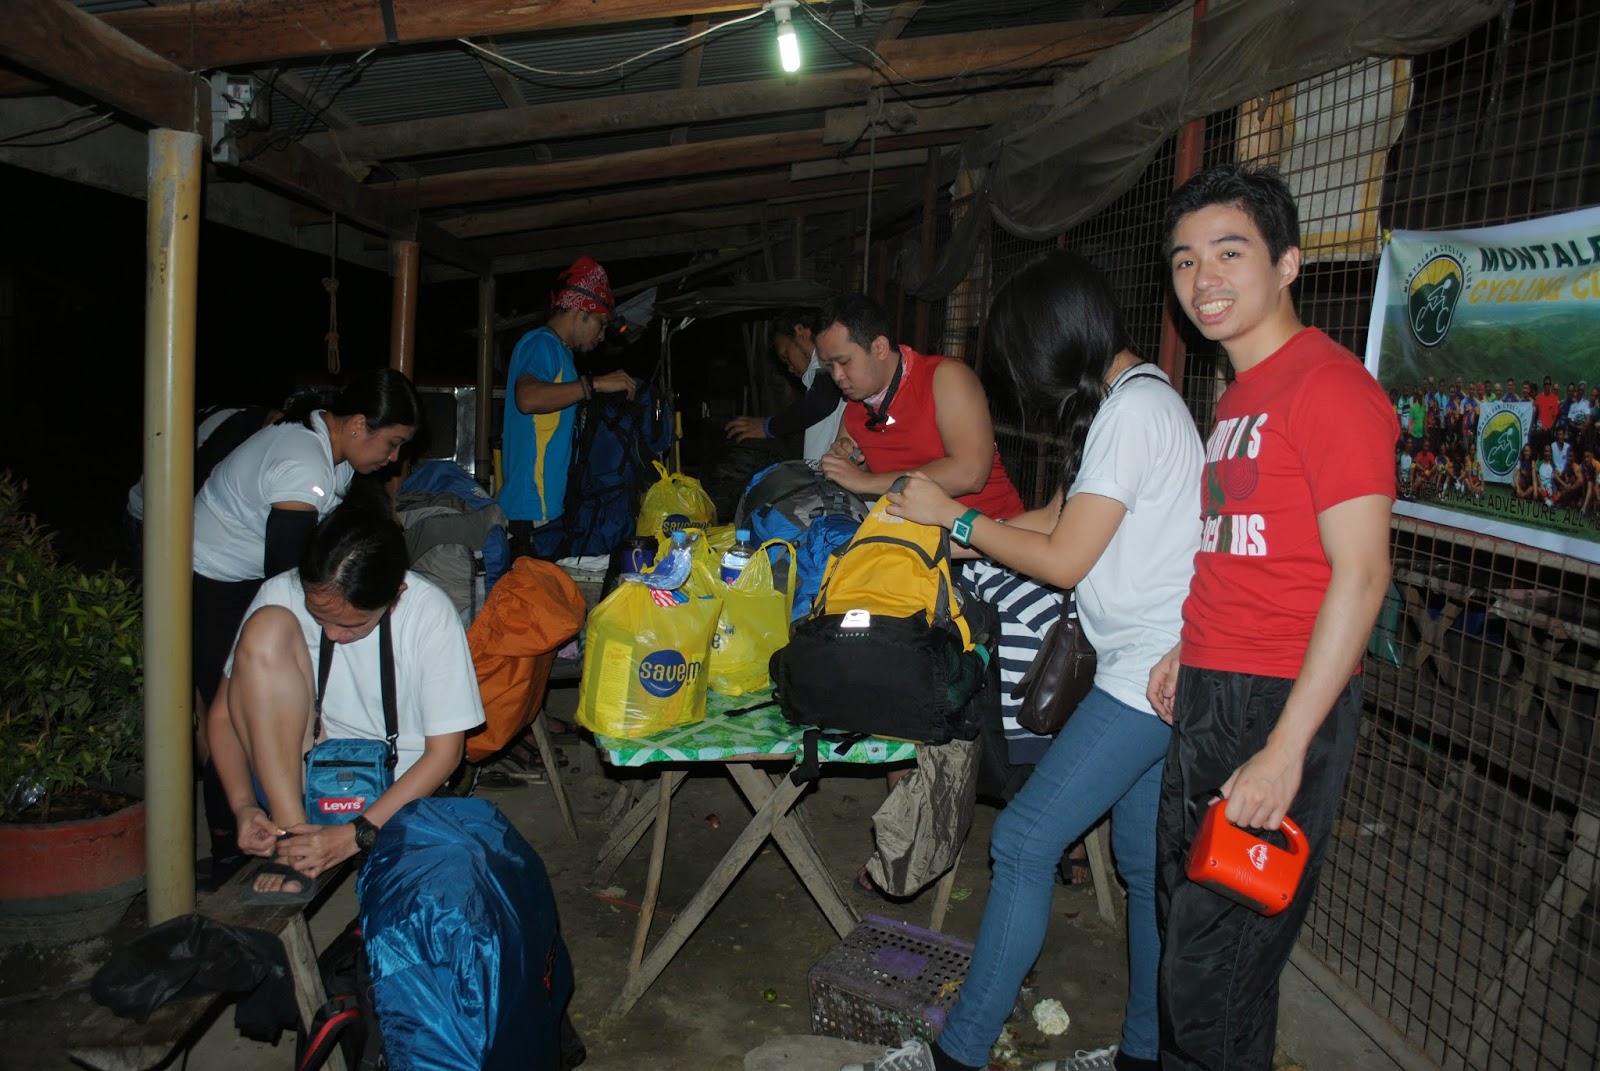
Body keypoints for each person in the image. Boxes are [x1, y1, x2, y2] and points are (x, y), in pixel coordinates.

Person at [843, 252, 1204, 1071]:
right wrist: (960, 540)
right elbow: (1058, 514)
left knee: (1026, 840)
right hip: (1156, 668)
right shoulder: (1139, 395)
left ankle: (956, 1055)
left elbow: (1069, 556)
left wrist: (959, 522)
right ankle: (1145, 1055)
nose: (1025, 383)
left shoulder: (1132, 414)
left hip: (1144, 675)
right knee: (1144, 863)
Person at [1146, 164, 1396, 1071]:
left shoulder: (1329, 388)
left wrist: (1287, 747)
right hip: (1218, 685)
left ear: (1288, 262)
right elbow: (1252, 547)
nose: (1202, 279)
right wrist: (1191, 644)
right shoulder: (1240, 393)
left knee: (1219, 969)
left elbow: (1361, 576)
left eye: (1228, 252)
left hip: (1283, 700)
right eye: (1184, 261)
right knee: (1190, 932)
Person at [192, 367, 420, 882]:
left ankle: (281, 823)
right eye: (392, 443)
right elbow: (290, 580)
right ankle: (232, 848)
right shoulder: (303, 464)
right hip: (214, 579)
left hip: (244, 570)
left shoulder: (330, 455)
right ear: (358, 424)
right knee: (241, 706)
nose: (394, 459)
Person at [206, 501, 486, 900]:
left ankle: (311, 846)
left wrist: (357, 834)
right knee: (266, 626)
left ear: (396, 595)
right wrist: (243, 806)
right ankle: (293, 836)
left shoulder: (428, 612)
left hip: (396, 784)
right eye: (320, 619)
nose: (334, 635)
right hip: (302, 773)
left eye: (352, 624)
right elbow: (222, 717)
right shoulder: (279, 593)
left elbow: (444, 755)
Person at [499, 255, 636, 557]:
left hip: (547, 509)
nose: (602, 336)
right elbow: (528, 398)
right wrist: (594, 384)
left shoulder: (560, 353)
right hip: (531, 511)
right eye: (600, 324)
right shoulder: (541, 344)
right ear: (581, 311)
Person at [725, 309, 847, 463]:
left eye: (786, 356)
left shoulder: (826, 363)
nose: (789, 368)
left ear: (800, 331)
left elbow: (821, 403)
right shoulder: (818, 381)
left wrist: (768, 426)